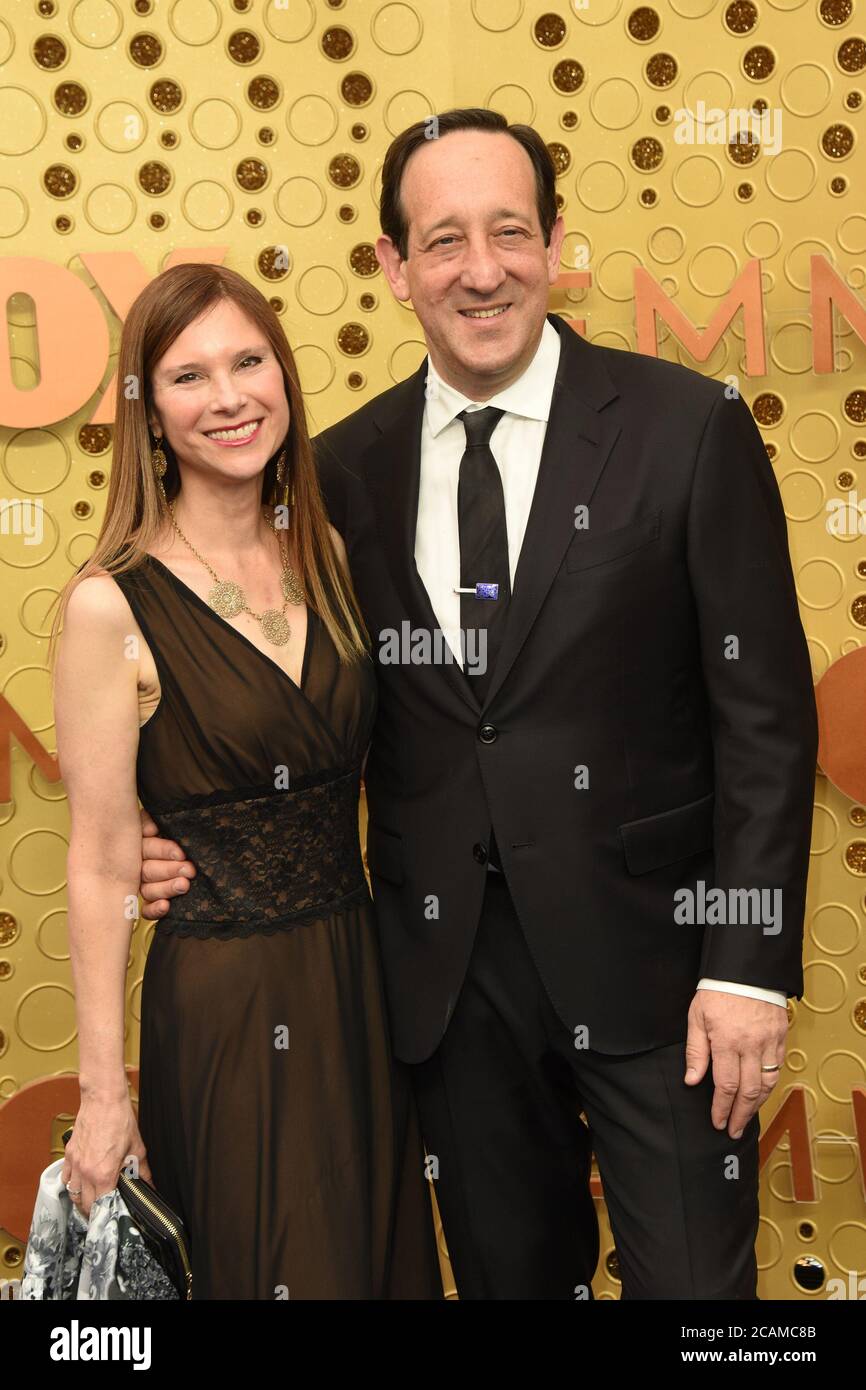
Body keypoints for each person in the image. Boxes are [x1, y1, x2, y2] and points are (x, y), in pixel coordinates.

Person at [137, 109, 818, 1299]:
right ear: (394, 267)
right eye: (442, 240)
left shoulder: (685, 430)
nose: (481, 267)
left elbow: (761, 720)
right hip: (446, 989)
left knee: (701, 1302)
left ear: (556, 242)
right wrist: (180, 834)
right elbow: (286, 692)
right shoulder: (336, 471)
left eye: (508, 230)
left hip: (664, 977)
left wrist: (749, 966)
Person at [49, 262, 443, 1300]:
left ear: (282, 374)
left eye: (247, 361)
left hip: (357, 981)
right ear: (147, 411)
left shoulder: (335, 557)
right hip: (224, 1001)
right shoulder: (109, 603)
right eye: (187, 376)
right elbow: (97, 862)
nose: (227, 397)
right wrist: (102, 1094)